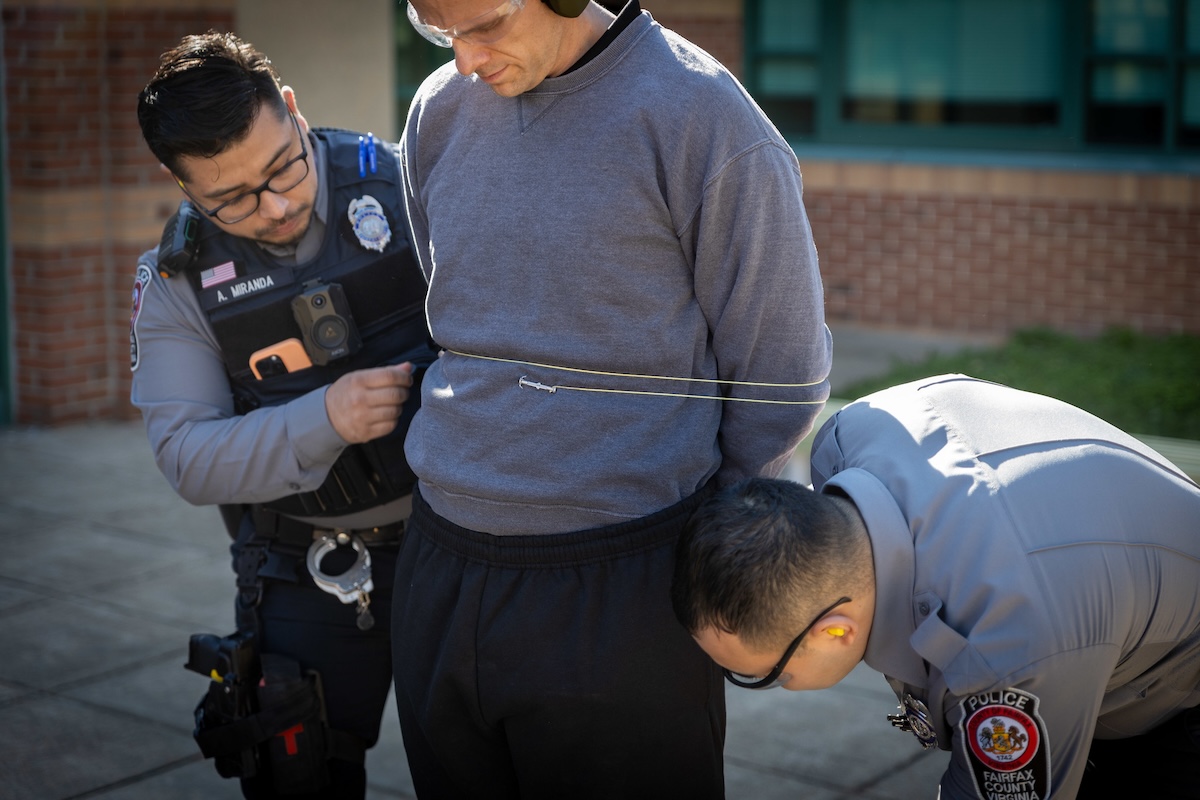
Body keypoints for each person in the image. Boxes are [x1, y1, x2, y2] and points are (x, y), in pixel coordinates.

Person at [393, 0, 832, 796]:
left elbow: (782, 375)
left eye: (484, 26)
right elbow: (451, 310)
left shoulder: (707, 120)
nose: (463, 61)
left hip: (624, 581)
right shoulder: (437, 112)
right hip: (441, 566)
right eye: (439, 32)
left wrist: (702, 541)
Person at [130, 32, 438, 799]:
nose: (274, 207)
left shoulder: (407, 181)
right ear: (179, 183)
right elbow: (186, 457)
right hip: (308, 563)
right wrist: (324, 417)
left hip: (460, 541)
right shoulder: (174, 280)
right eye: (231, 199)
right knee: (295, 772)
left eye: (282, 169)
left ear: (293, 110)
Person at [672, 374, 1200, 800]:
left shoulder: (1002, 647)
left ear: (835, 632)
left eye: (763, 676)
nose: (741, 679)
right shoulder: (850, 435)